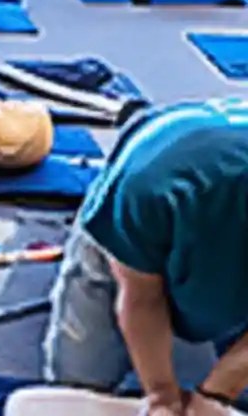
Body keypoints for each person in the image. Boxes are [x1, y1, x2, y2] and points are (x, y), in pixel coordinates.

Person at [43, 98, 248, 416]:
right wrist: (161, 395)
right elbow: (141, 299)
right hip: (148, 197)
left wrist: (214, 395)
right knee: (81, 380)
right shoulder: (150, 186)